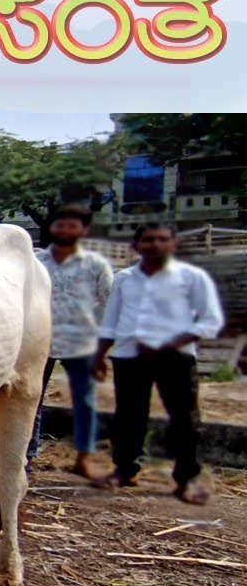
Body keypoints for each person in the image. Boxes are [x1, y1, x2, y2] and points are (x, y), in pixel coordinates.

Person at [92, 222, 224, 505]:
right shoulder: (125, 279)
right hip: (129, 355)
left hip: (175, 357)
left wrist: (166, 344)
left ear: (174, 244)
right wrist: (100, 354)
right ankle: (125, 470)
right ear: (137, 246)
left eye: (163, 239)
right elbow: (111, 320)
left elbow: (210, 321)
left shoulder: (192, 278)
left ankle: (186, 478)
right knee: (128, 417)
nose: (155, 245)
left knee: (184, 420)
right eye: (148, 240)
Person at [26, 204, 113, 478]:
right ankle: (26, 455)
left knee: (84, 402)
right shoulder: (38, 263)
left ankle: (83, 457)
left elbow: (109, 302)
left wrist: (101, 346)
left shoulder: (96, 265)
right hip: (41, 342)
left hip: (81, 343)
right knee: (31, 399)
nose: (65, 230)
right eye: (61, 225)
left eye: (72, 226)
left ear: (83, 230)